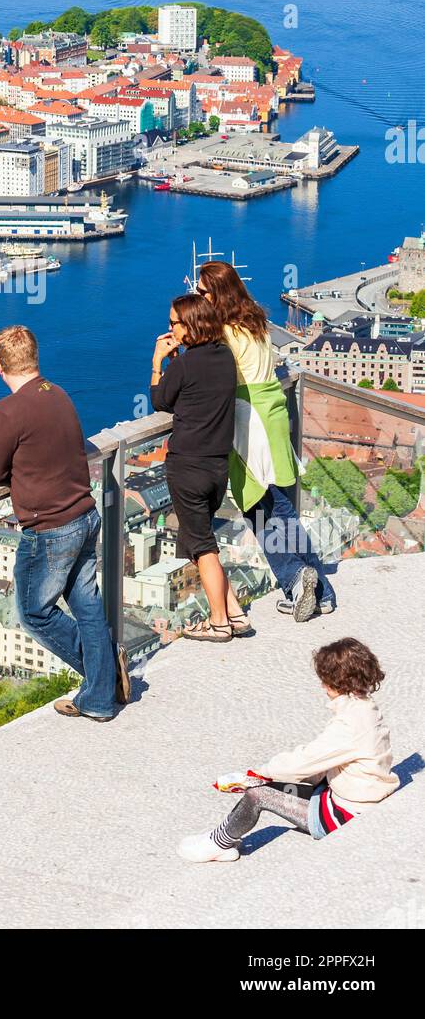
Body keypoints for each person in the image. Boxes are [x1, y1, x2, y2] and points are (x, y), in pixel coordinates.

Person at [0, 324, 128, 721]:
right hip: (85, 514)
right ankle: (98, 696)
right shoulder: (58, 394)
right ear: (35, 357)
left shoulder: (8, 411)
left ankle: (103, 676)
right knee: (88, 607)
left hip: (49, 528)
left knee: (34, 612)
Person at [197, 260, 336, 621]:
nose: (198, 296)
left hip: (247, 421)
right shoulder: (256, 322)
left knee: (260, 509)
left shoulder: (224, 333)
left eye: (202, 291)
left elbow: (212, 377)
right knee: (282, 509)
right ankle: (321, 589)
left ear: (217, 293)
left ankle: (294, 578)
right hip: (273, 411)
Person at [179, 638, 398, 862]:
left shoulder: (349, 723)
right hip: (353, 794)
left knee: (258, 793)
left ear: (336, 682)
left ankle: (218, 844)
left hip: (344, 813)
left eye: (325, 680)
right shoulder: (365, 708)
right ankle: (222, 836)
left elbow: (304, 760)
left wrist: (261, 773)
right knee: (273, 783)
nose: (322, 686)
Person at [151, 293, 244, 644]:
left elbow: (161, 400)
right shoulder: (224, 357)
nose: (170, 327)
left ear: (189, 324)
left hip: (187, 466)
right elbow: (197, 391)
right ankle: (234, 610)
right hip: (218, 468)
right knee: (196, 539)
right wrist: (178, 361)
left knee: (202, 545)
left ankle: (219, 623)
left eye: (174, 322)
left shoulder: (184, 365)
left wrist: (159, 362)